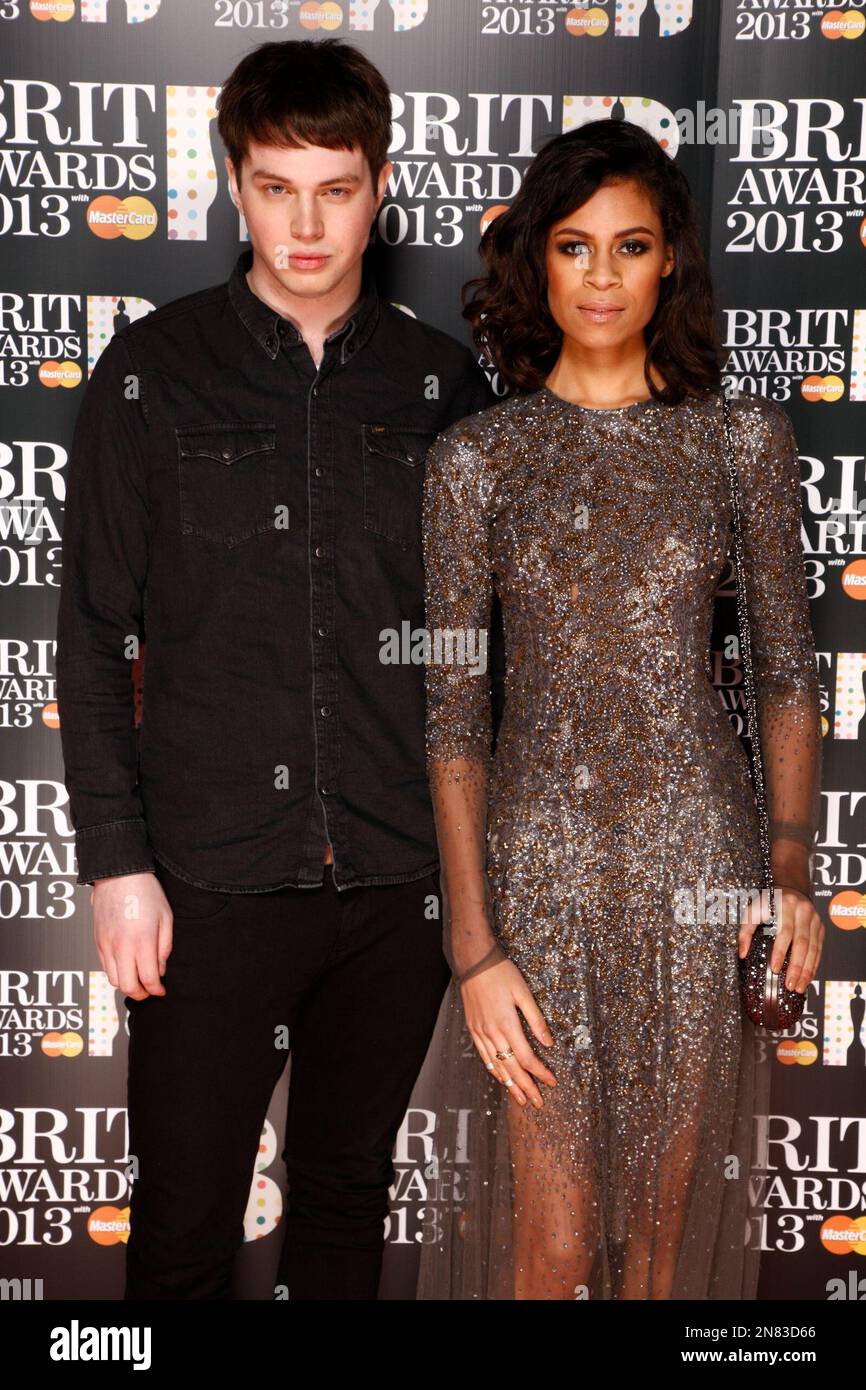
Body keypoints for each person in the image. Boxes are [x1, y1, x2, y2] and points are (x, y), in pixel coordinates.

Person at [55, 37, 496, 1300]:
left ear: (381, 185)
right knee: (187, 1216)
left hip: (396, 877)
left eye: (337, 187)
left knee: (348, 1195)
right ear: (231, 185)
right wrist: (117, 863)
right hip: (207, 880)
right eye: (275, 185)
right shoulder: (150, 374)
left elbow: (475, 648)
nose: (306, 222)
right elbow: (92, 632)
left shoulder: (440, 388)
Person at [416, 118, 824, 1300]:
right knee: (545, 1251)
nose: (601, 276)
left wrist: (788, 868)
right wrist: (471, 941)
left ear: (669, 264)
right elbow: (452, 713)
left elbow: (788, 671)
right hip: (534, 880)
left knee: (662, 1245)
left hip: (699, 865)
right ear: (534, 264)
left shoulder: (739, 442)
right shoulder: (475, 463)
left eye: (630, 246)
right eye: (573, 246)